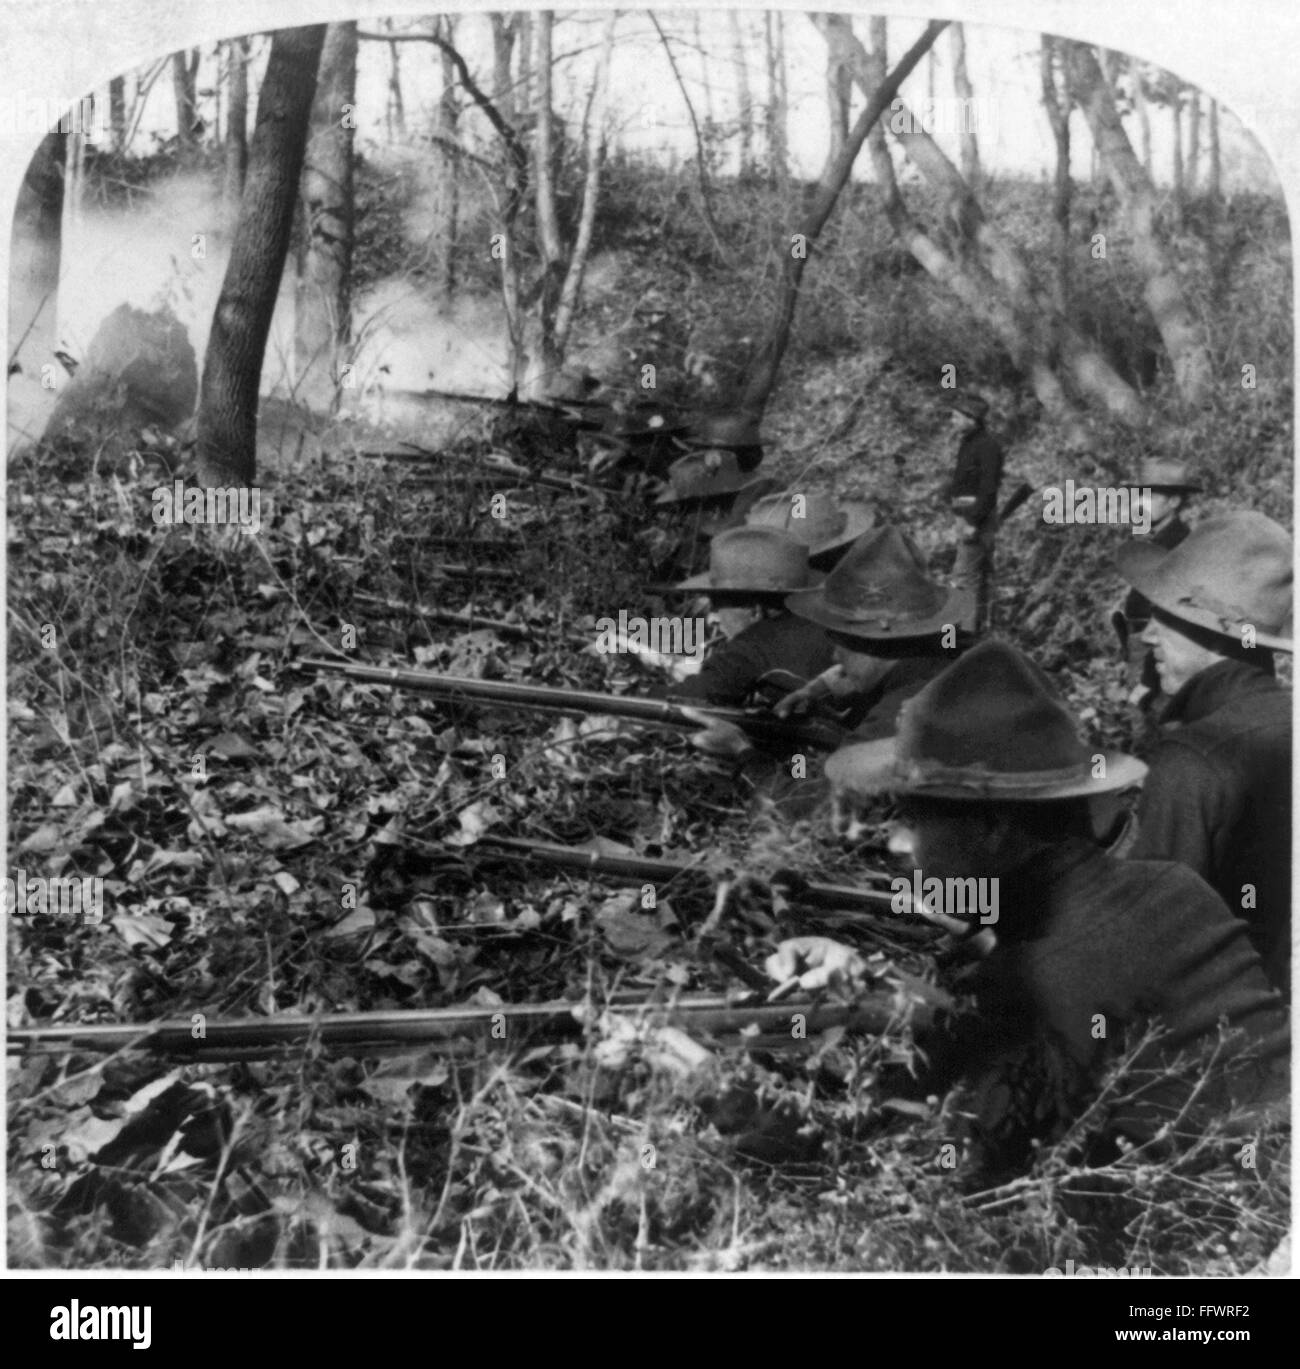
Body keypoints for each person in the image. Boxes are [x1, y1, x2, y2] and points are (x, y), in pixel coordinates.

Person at [773, 639, 1289, 1184]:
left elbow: (902, 1163)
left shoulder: (1029, 986)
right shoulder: (1173, 887)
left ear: (995, 827)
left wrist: (741, 1101)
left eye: (915, 820)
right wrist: (884, 985)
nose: (901, 846)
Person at [1117, 511, 1292, 995]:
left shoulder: (1194, 758)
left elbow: (1147, 946)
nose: (1148, 634)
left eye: (1168, 617)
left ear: (1217, 633)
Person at [779, 525, 970, 740]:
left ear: (873, 643)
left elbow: (843, 767)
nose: (835, 656)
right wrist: (815, 690)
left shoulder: (892, 719)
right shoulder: (949, 655)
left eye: (841, 643)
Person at [663, 527, 835, 707]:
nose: (712, 618)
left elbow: (677, 701)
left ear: (754, 611)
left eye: (717, 604)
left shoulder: (753, 647)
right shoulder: (831, 630)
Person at [1109, 457, 1200, 710]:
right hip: (1141, 646)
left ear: (1173, 502)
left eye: (1149, 497)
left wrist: (1148, 679)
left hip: (1157, 655)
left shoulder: (1178, 544)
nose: (1140, 504)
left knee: (1149, 722)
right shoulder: (1157, 538)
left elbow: (1172, 616)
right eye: (1138, 497)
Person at [944, 392, 1004, 633]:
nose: (952, 421)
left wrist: (973, 522)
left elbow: (988, 489)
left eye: (957, 417)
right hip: (966, 515)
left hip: (976, 517)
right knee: (976, 574)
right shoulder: (968, 442)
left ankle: (963, 633)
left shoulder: (988, 446)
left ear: (972, 419)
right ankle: (976, 627)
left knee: (964, 576)